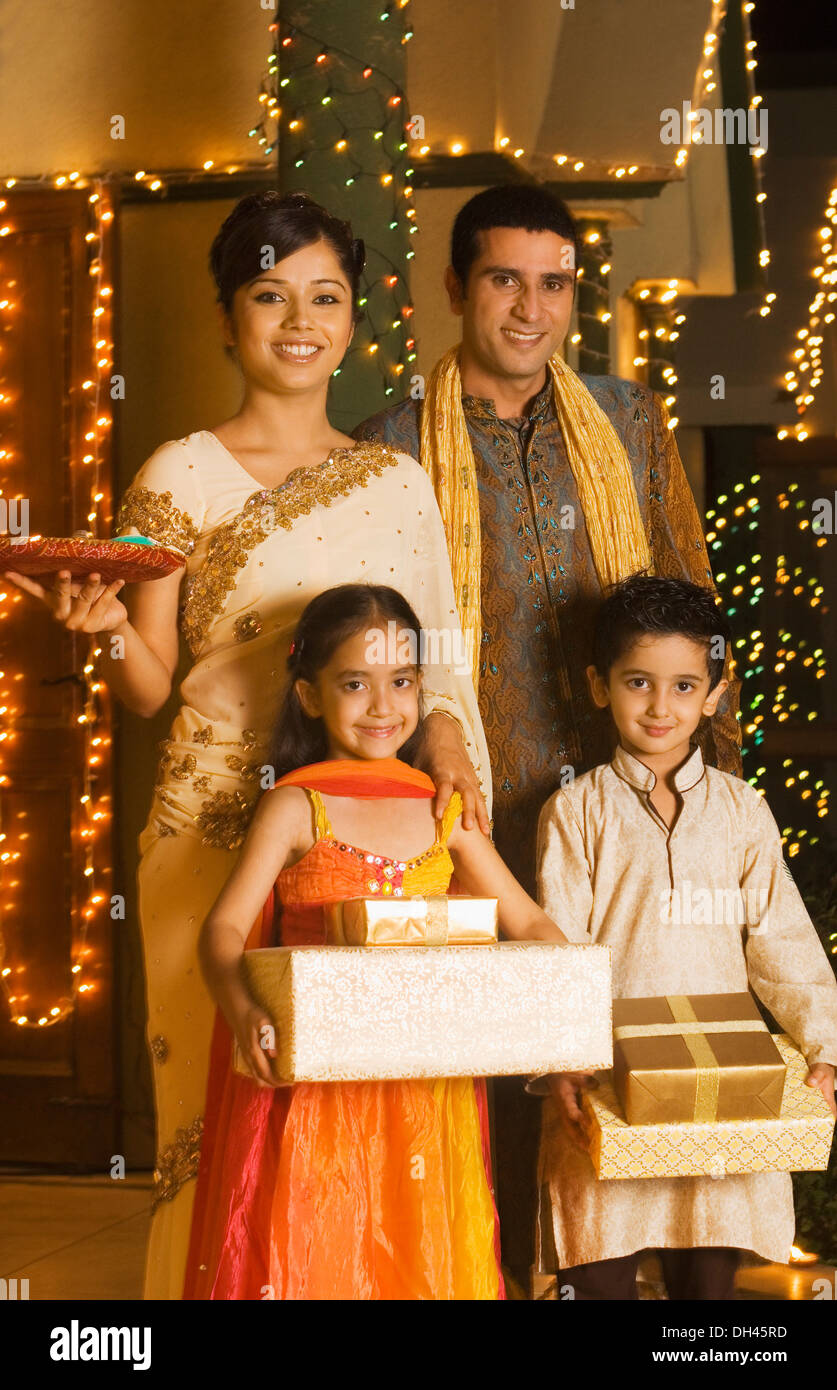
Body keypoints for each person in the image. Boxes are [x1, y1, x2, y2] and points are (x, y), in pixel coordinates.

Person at [3, 191, 492, 1300]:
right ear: (231, 318)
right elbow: (152, 685)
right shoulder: (179, 473)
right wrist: (103, 631)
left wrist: (452, 741)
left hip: (353, 842)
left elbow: (443, 648)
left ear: (355, 320)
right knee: (209, 1125)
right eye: (271, 295)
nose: (300, 320)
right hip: (206, 831)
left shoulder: (394, 482)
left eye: (325, 296)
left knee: (349, 1114)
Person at [354, 182, 743, 1287]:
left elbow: (690, 597)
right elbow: (381, 637)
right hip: (476, 813)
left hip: (635, 807)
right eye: (505, 279)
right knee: (506, 1090)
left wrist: (709, 798)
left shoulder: (627, 421)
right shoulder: (389, 447)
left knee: (652, 1073)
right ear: (455, 288)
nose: (531, 308)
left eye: (555, 283)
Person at [184, 582, 568, 1300]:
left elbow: (531, 925)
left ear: (421, 689)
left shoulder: (442, 808)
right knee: (324, 1245)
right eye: (353, 684)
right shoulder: (298, 803)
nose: (382, 706)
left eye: (400, 682)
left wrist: (567, 1019)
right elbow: (224, 929)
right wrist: (242, 1012)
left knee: (420, 1252)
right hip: (324, 1088)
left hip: (429, 1088)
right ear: (308, 695)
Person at [535, 575, 837, 1300]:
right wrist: (561, 1068)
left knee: (707, 1291)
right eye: (638, 682)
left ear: (713, 693)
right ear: (599, 686)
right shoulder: (575, 810)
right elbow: (557, 951)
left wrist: (825, 1051)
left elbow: (782, 942)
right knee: (597, 1270)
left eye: (682, 685)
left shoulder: (740, 810)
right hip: (605, 1084)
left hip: (722, 1084)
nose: (659, 706)